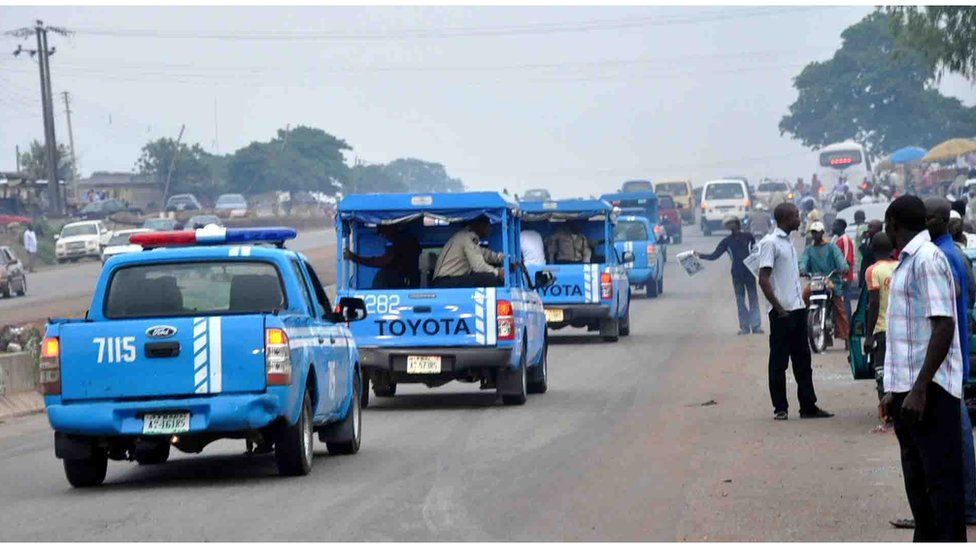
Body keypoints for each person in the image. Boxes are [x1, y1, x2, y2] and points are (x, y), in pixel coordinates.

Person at [879, 195, 966, 541]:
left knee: (940, 486)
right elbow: (902, 334)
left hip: (929, 392)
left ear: (893, 224)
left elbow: (943, 326)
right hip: (907, 392)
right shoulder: (905, 262)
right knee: (918, 485)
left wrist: (918, 389)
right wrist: (892, 390)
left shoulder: (928, 260)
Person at [924, 197, 976, 526]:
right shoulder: (956, 254)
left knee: (953, 437)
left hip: (946, 357)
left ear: (938, 220)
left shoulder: (941, 256)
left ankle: (965, 507)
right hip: (953, 355)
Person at [757, 202, 833, 421]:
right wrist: (779, 309)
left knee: (803, 362)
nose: (800, 219)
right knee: (779, 363)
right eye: (796, 216)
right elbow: (764, 280)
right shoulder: (770, 243)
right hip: (783, 312)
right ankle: (780, 407)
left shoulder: (788, 242)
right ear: (785, 218)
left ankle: (808, 406)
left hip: (798, 309)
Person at [695, 215, 762, 335]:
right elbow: (714, 256)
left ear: (737, 224)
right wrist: (699, 255)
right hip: (737, 274)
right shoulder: (726, 242)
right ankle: (745, 327)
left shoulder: (749, 237)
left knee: (753, 299)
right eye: (729, 224)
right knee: (740, 300)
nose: (731, 226)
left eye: (732, 223)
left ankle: (756, 326)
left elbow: (756, 251)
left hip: (749, 272)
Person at [799, 221, 850, 346]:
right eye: (813, 233)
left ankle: (846, 335)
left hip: (831, 280)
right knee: (804, 296)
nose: (815, 235)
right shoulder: (809, 250)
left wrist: (843, 267)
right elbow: (803, 261)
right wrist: (802, 269)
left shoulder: (831, 247)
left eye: (817, 232)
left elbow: (839, 259)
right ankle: (805, 325)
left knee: (839, 306)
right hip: (815, 281)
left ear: (822, 233)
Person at [863, 232, 896, 401]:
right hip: (901, 328)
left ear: (873, 249)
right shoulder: (900, 265)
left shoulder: (872, 271)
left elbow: (873, 303)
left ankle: (886, 413)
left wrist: (869, 335)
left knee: (882, 371)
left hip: (882, 329)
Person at [343, 222, 421, 289]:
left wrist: (354, 258)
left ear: (390, 228)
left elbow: (381, 262)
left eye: (382, 232)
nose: (383, 236)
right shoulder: (404, 240)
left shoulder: (402, 241)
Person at [432, 217, 505, 288]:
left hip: (445, 281)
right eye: (487, 225)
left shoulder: (465, 236)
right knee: (489, 278)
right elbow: (478, 266)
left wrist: (502, 258)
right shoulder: (469, 237)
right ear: (479, 225)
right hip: (445, 282)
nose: (490, 228)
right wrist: (497, 272)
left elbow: (485, 254)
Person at [832, 218, 856, 321]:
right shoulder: (837, 240)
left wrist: (842, 273)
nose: (832, 227)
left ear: (841, 226)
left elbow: (847, 259)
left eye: (835, 225)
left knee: (845, 301)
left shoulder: (845, 239)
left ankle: (847, 325)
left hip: (844, 277)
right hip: (837, 276)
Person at [857, 220, 884, 287]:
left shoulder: (879, 241)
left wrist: (864, 240)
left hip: (874, 272)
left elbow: (866, 253)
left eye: (870, 227)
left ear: (877, 229)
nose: (868, 230)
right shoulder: (870, 240)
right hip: (867, 270)